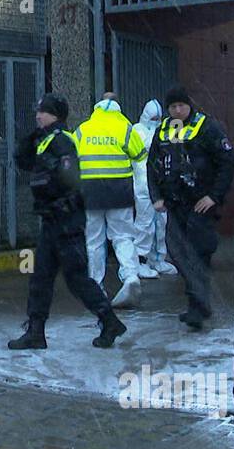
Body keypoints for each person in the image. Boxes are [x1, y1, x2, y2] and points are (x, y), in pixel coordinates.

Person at [9, 93, 126, 350]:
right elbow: (22, 160)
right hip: (52, 220)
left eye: (44, 112)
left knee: (77, 279)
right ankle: (35, 331)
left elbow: (69, 178)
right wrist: (31, 137)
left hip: (67, 220)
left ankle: (109, 320)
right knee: (40, 277)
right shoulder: (45, 140)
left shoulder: (63, 141)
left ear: (56, 115)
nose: (38, 115)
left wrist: (55, 183)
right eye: (38, 111)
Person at [147, 86, 234, 331]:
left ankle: (198, 306)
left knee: (198, 253)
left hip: (200, 204)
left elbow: (228, 163)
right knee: (178, 254)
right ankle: (198, 302)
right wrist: (156, 196)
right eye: (172, 107)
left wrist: (213, 196)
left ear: (189, 105)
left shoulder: (206, 127)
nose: (177, 110)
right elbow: (152, 165)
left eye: (181, 106)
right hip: (175, 204)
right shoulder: (164, 130)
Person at [73, 96, 147, 309]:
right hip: (119, 192)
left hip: (90, 193)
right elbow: (140, 154)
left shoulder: (83, 129)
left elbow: (73, 156)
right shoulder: (125, 127)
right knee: (123, 236)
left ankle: (96, 285)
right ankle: (131, 276)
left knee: (93, 241)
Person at [131, 99, 177, 279]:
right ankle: (139, 261)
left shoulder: (166, 130)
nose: (156, 121)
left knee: (161, 223)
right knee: (144, 224)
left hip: (159, 185)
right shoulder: (137, 130)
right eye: (153, 117)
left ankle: (158, 259)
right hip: (143, 185)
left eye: (159, 118)